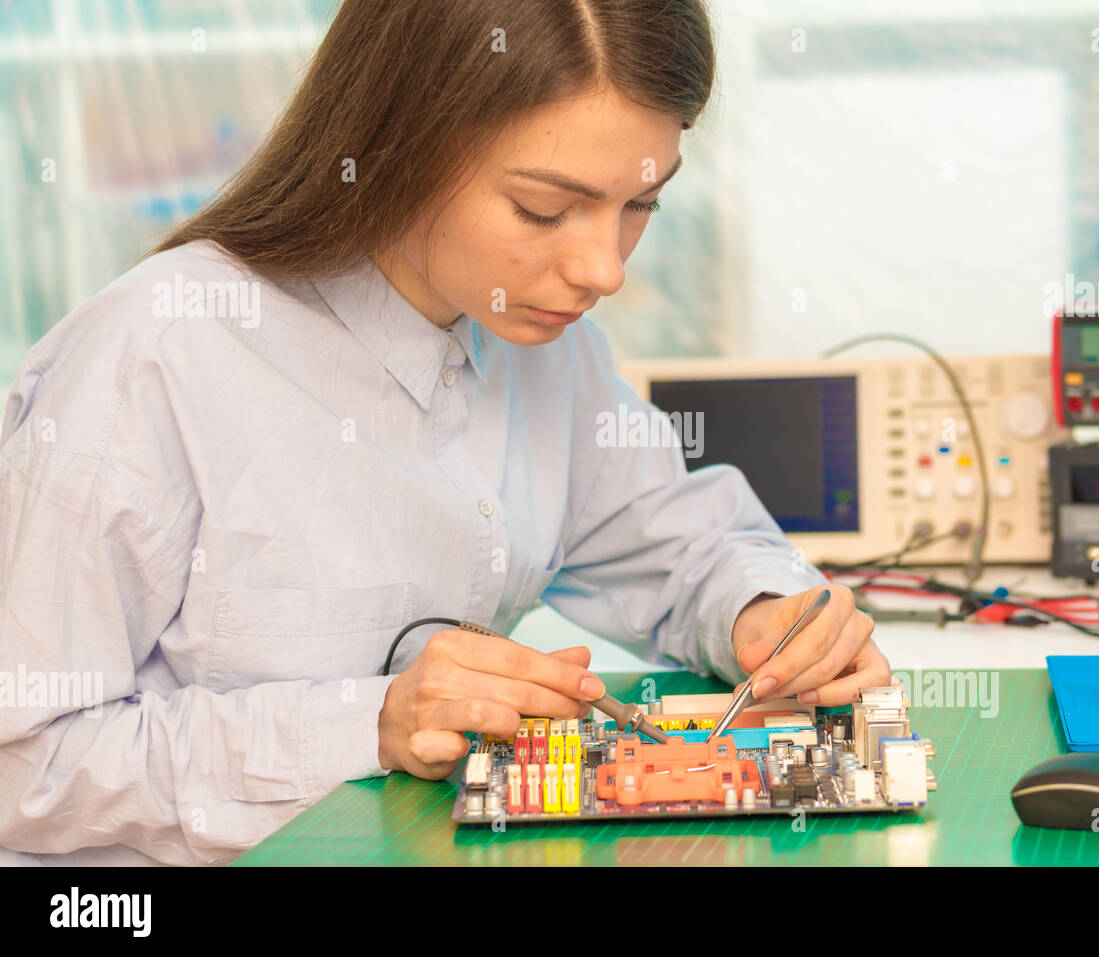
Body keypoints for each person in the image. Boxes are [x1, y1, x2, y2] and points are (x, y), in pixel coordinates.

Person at [0, 0, 886, 866]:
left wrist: (760, 615)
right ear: (398, 147)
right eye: (544, 209)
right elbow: (20, 762)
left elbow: (673, 547)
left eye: (640, 204)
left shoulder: (540, 346)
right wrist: (370, 723)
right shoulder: (158, 351)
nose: (603, 269)